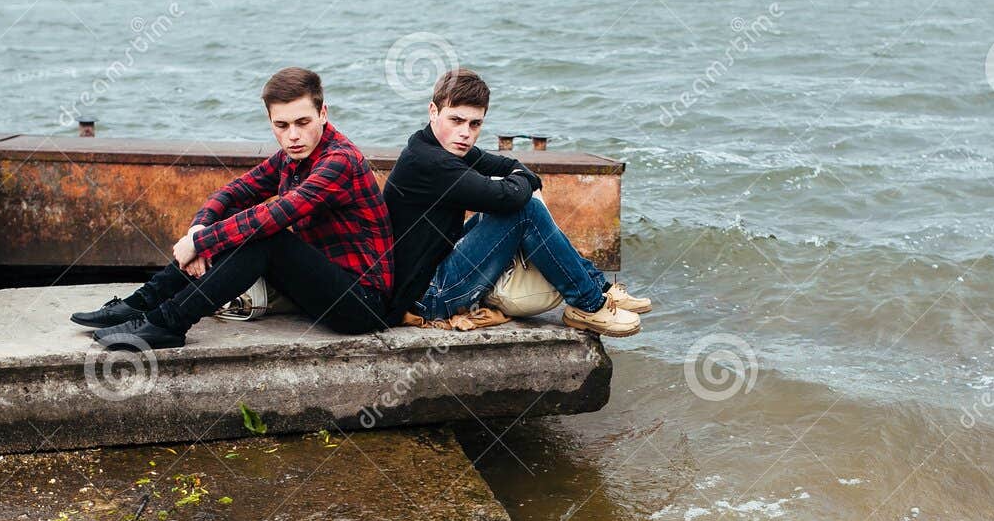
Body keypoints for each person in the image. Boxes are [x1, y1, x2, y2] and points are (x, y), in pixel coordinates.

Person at [70, 67, 393, 349]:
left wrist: (200, 242)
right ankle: (141, 304)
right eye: (281, 125)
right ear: (270, 121)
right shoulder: (293, 156)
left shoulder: (339, 161)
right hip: (317, 289)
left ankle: (168, 324)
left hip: (360, 303)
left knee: (268, 236)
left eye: (303, 122)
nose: (293, 135)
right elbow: (235, 191)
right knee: (244, 230)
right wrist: (199, 228)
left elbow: (278, 214)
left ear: (323, 114)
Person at [382, 68, 649, 337]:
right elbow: (509, 196)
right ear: (433, 112)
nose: (465, 133)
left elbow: (509, 165)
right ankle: (590, 304)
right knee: (525, 211)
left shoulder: (439, 146)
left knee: (518, 208)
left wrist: (523, 177)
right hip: (426, 297)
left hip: (432, 271)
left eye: (475, 124)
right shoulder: (430, 162)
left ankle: (598, 288)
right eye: (456, 120)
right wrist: (525, 180)